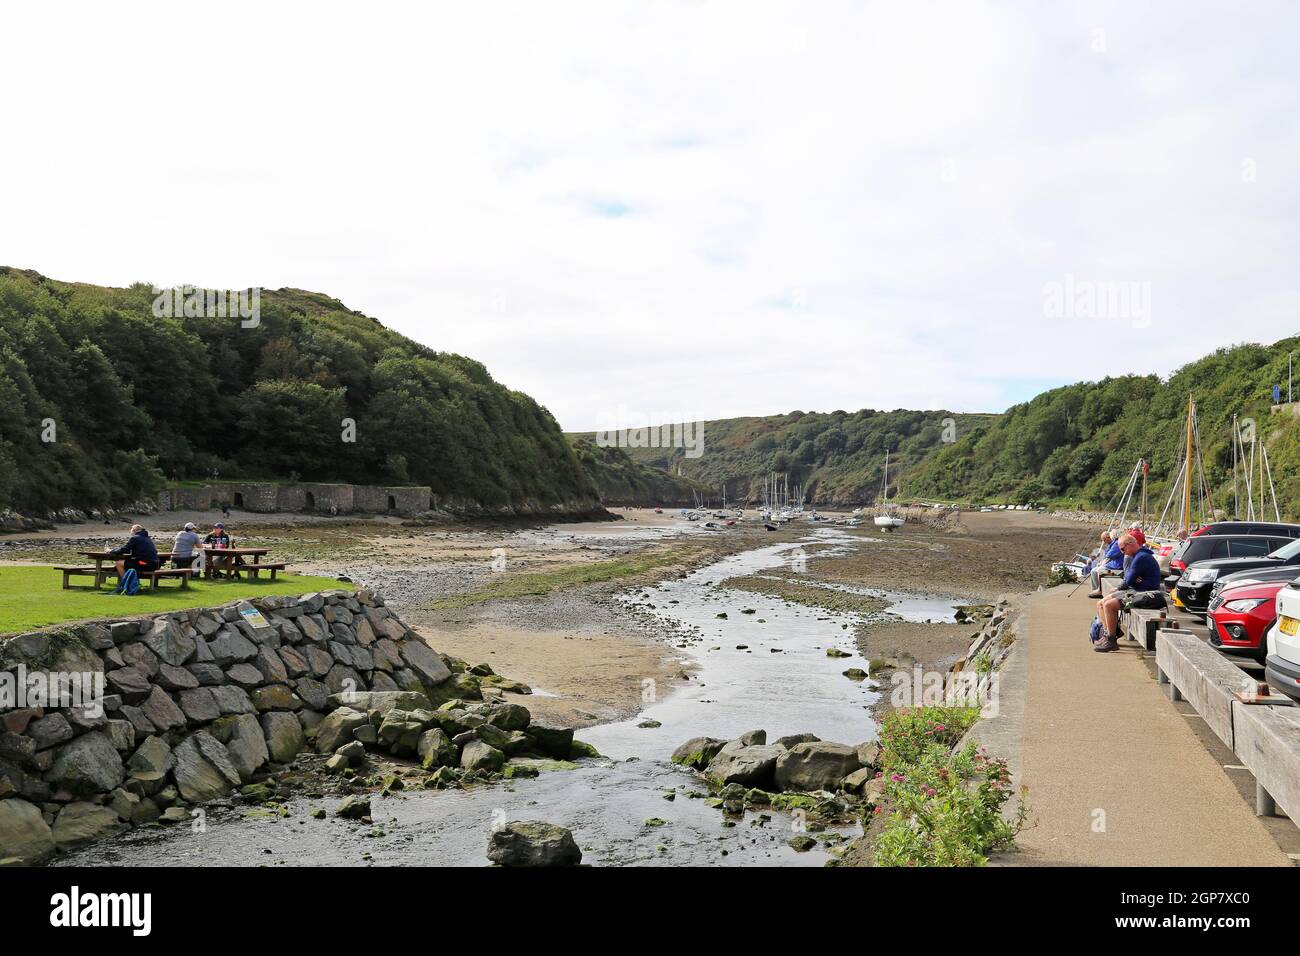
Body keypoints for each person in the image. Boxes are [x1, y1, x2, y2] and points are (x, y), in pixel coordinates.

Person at [1093, 533, 1165, 652]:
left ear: (1130, 544)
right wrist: (1131, 580)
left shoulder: (1141, 557)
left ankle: (1111, 640)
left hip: (1146, 595)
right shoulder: (1139, 555)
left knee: (1108, 605)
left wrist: (1128, 582)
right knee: (1101, 603)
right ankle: (1110, 634)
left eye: (1122, 549)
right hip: (1138, 590)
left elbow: (1129, 580)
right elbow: (1129, 577)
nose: (1122, 552)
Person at [1086, 530, 1123, 598]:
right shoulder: (1114, 543)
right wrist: (1102, 562)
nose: (1104, 541)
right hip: (1114, 563)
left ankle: (1099, 590)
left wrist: (1102, 564)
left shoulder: (1116, 543)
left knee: (1097, 570)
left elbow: (1109, 555)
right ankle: (1096, 589)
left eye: (1104, 539)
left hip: (1117, 565)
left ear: (1110, 537)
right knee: (1094, 570)